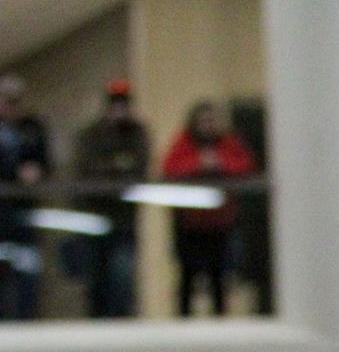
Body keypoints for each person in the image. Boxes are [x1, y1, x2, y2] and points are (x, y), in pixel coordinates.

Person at [160, 101, 256, 317]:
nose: (208, 125)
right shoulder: (184, 142)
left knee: (219, 279)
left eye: (211, 120)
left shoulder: (228, 142)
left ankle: (220, 323)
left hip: (220, 224)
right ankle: (183, 325)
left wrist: (219, 164)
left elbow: (245, 166)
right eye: (203, 120)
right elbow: (170, 168)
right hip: (190, 225)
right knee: (187, 278)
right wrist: (199, 164)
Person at [70, 79, 149, 319]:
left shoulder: (137, 133)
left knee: (122, 281)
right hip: (94, 220)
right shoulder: (91, 134)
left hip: (124, 221)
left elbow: (138, 168)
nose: (119, 109)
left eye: (123, 103)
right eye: (115, 103)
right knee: (96, 281)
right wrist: (116, 167)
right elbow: (86, 170)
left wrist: (111, 169)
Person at [0, 73, 52, 320]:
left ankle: (27, 321)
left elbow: (46, 164)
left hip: (25, 216)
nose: (11, 106)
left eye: (15, 100)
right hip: (2, 216)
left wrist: (36, 172)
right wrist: (12, 172)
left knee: (27, 274)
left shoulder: (33, 128)